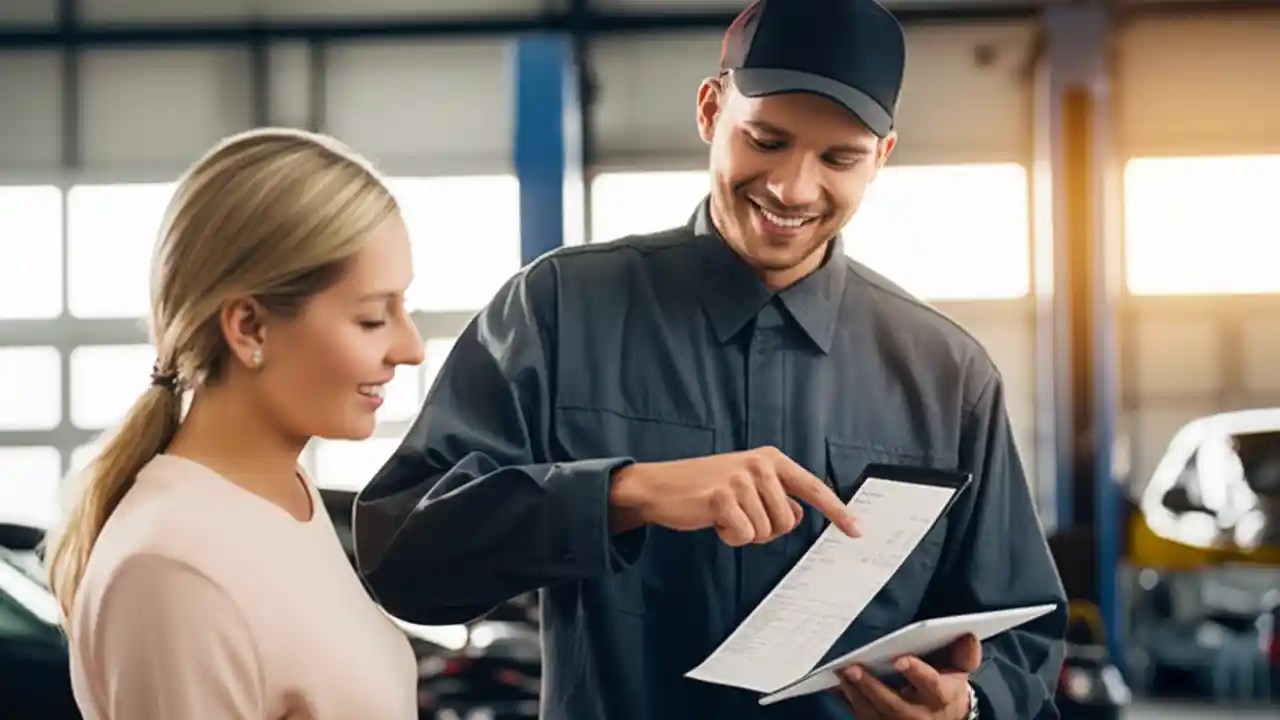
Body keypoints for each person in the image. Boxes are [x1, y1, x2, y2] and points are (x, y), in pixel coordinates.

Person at [353, 0, 1067, 718]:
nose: (791, 187)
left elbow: (1024, 632)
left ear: (880, 158)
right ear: (709, 109)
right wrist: (624, 494)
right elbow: (406, 562)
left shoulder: (949, 377)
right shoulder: (559, 312)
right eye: (766, 140)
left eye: (838, 158)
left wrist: (967, 706)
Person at [44, 127, 425, 719]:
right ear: (249, 327)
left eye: (405, 308)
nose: (411, 347)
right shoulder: (173, 569)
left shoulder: (284, 498)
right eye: (374, 318)